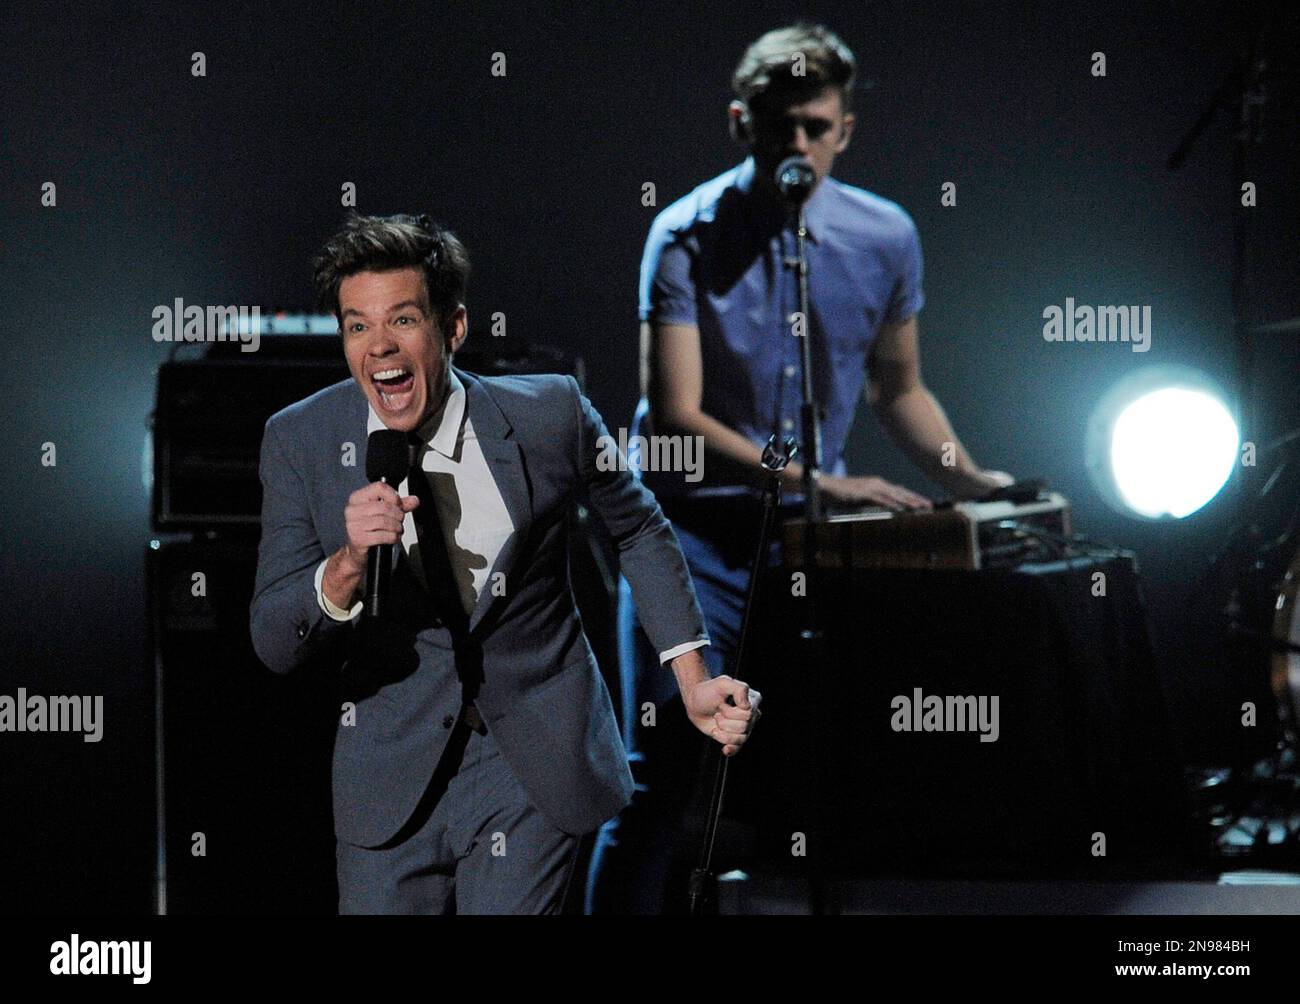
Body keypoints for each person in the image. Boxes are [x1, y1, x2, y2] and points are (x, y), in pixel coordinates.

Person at [586, 23, 1012, 914]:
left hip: (800, 543)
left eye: (817, 127)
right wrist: (815, 482)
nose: (799, 146)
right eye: (781, 125)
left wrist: (978, 485)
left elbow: (900, 389)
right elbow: (676, 418)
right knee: (661, 777)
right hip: (687, 538)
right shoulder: (687, 234)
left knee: (819, 778)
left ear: (845, 130)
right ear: (744, 123)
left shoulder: (885, 234)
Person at [249, 212, 761, 914]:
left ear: (452, 328)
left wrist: (693, 679)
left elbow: (638, 526)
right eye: (357, 326)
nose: (378, 348)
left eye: (402, 320)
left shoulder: (550, 415)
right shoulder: (299, 439)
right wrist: (343, 568)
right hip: (390, 773)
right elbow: (275, 641)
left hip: (532, 762)